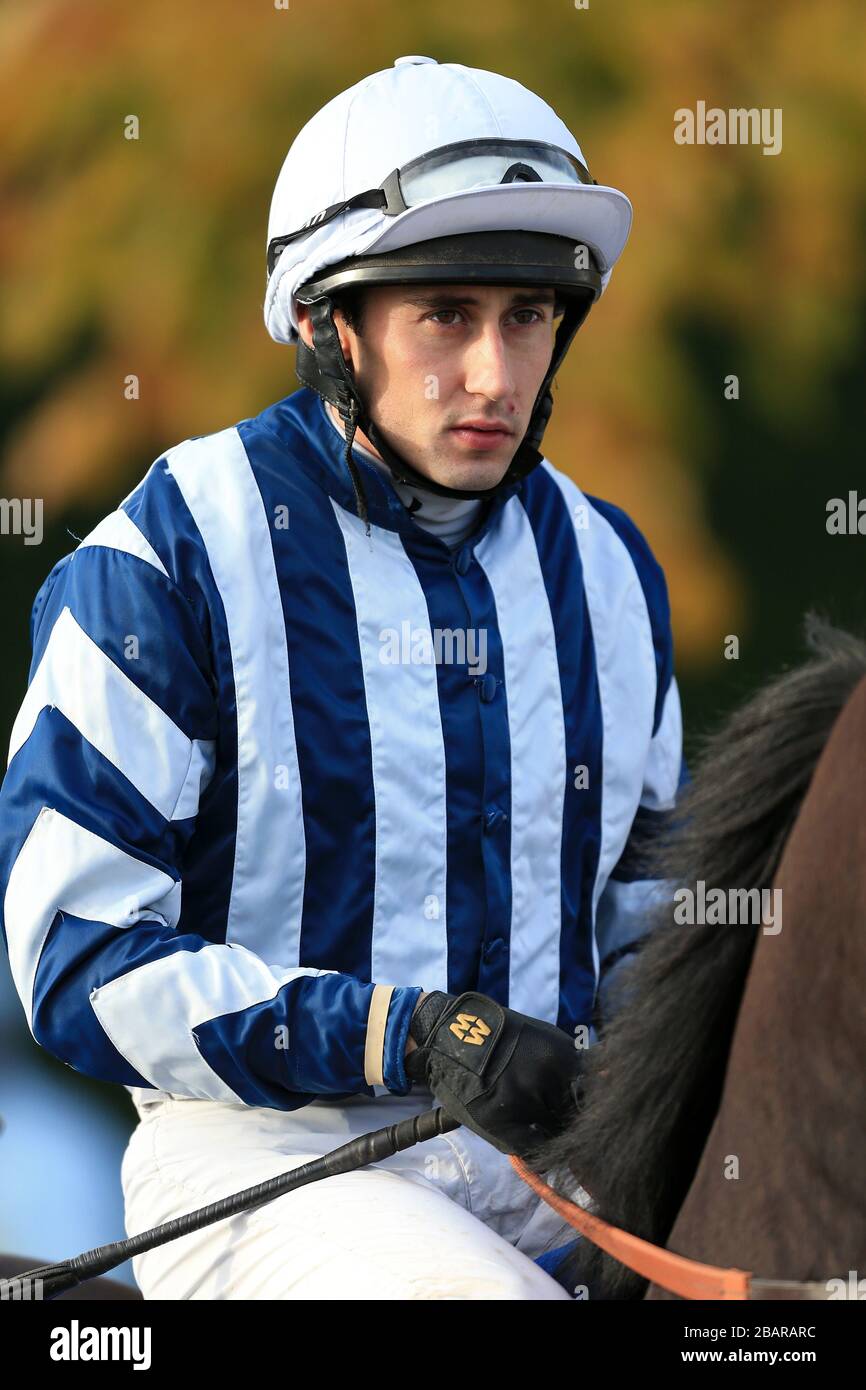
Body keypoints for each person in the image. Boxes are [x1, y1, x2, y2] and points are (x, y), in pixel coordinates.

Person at [0, 56, 686, 1300]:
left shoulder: (610, 571)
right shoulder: (165, 558)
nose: (494, 373)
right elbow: (75, 954)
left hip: (563, 1181)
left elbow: (651, 934)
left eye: (525, 316)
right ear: (323, 322)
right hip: (267, 1175)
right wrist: (406, 1033)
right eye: (445, 316)